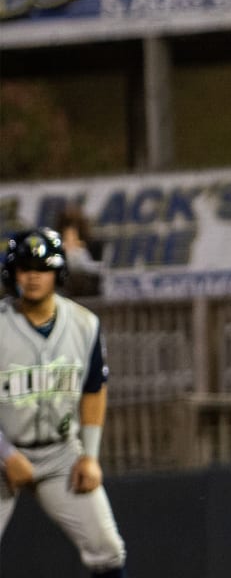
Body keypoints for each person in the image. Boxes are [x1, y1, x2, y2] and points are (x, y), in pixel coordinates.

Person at [0, 228, 128, 577]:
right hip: (3, 451)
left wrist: (89, 455)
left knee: (108, 550)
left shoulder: (85, 324)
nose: (33, 276)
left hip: (60, 454)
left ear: (58, 272)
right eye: (25, 269)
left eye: (42, 268)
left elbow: (93, 389)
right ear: (13, 275)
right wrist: (7, 454)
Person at [55, 206, 104, 297]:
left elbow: (97, 270)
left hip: (89, 290)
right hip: (64, 291)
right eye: (66, 226)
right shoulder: (56, 249)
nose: (70, 237)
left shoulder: (93, 246)